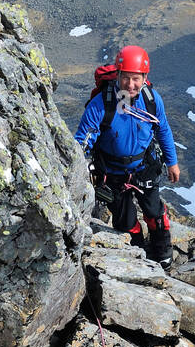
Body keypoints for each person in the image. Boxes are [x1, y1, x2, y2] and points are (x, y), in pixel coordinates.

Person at [74, 45, 180, 266]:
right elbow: (83, 139)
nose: (130, 85)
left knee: (154, 212)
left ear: (144, 78)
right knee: (124, 221)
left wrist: (172, 162)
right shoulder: (101, 104)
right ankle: (138, 251)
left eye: (136, 79)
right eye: (126, 79)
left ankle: (162, 252)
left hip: (144, 166)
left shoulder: (151, 99)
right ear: (118, 76)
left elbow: (163, 129)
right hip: (112, 174)